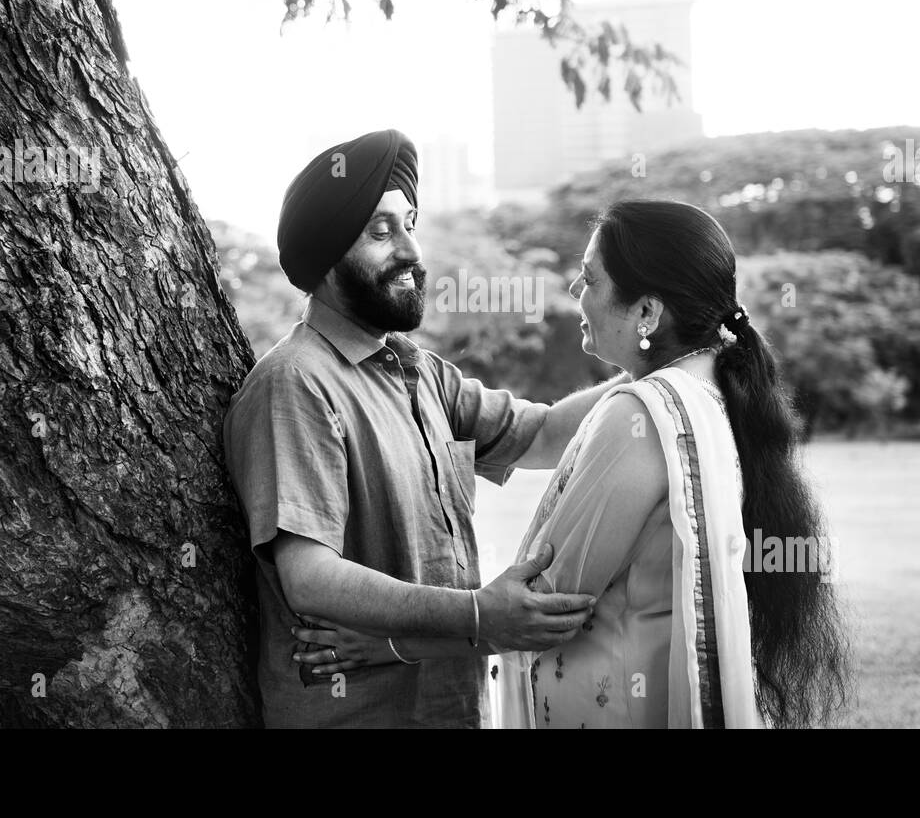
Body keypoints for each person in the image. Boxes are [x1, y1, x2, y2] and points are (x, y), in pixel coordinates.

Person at [294, 199, 852, 728]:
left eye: (591, 278)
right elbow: (540, 433)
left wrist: (388, 644)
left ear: (648, 311)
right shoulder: (713, 393)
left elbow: (540, 606)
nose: (574, 289)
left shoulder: (640, 416)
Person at [223, 129, 627, 728]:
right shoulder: (295, 383)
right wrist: (476, 615)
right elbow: (309, 578)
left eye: (410, 223)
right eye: (381, 233)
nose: (411, 251)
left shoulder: (419, 371)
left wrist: (664, 366)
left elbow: (544, 435)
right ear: (330, 258)